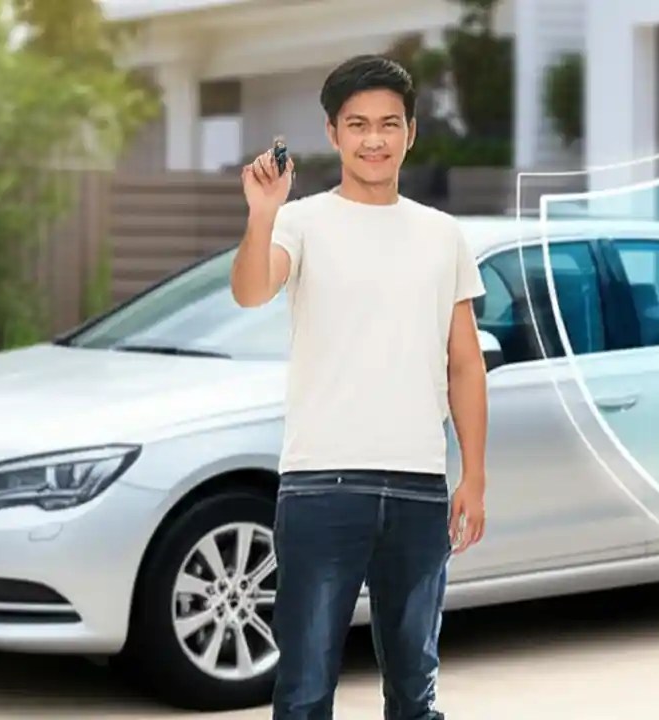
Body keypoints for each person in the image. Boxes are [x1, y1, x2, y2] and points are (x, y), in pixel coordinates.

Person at [230, 54, 488, 720]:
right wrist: (262, 215)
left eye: (388, 124)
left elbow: (465, 363)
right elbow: (252, 290)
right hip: (321, 487)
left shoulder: (442, 234)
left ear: (410, 134)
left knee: (415, 690)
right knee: (307, 688)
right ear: (333, 133)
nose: (373, 139)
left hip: (417, 487)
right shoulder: (301, 222)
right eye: (357, 125)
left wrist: (475, 478)